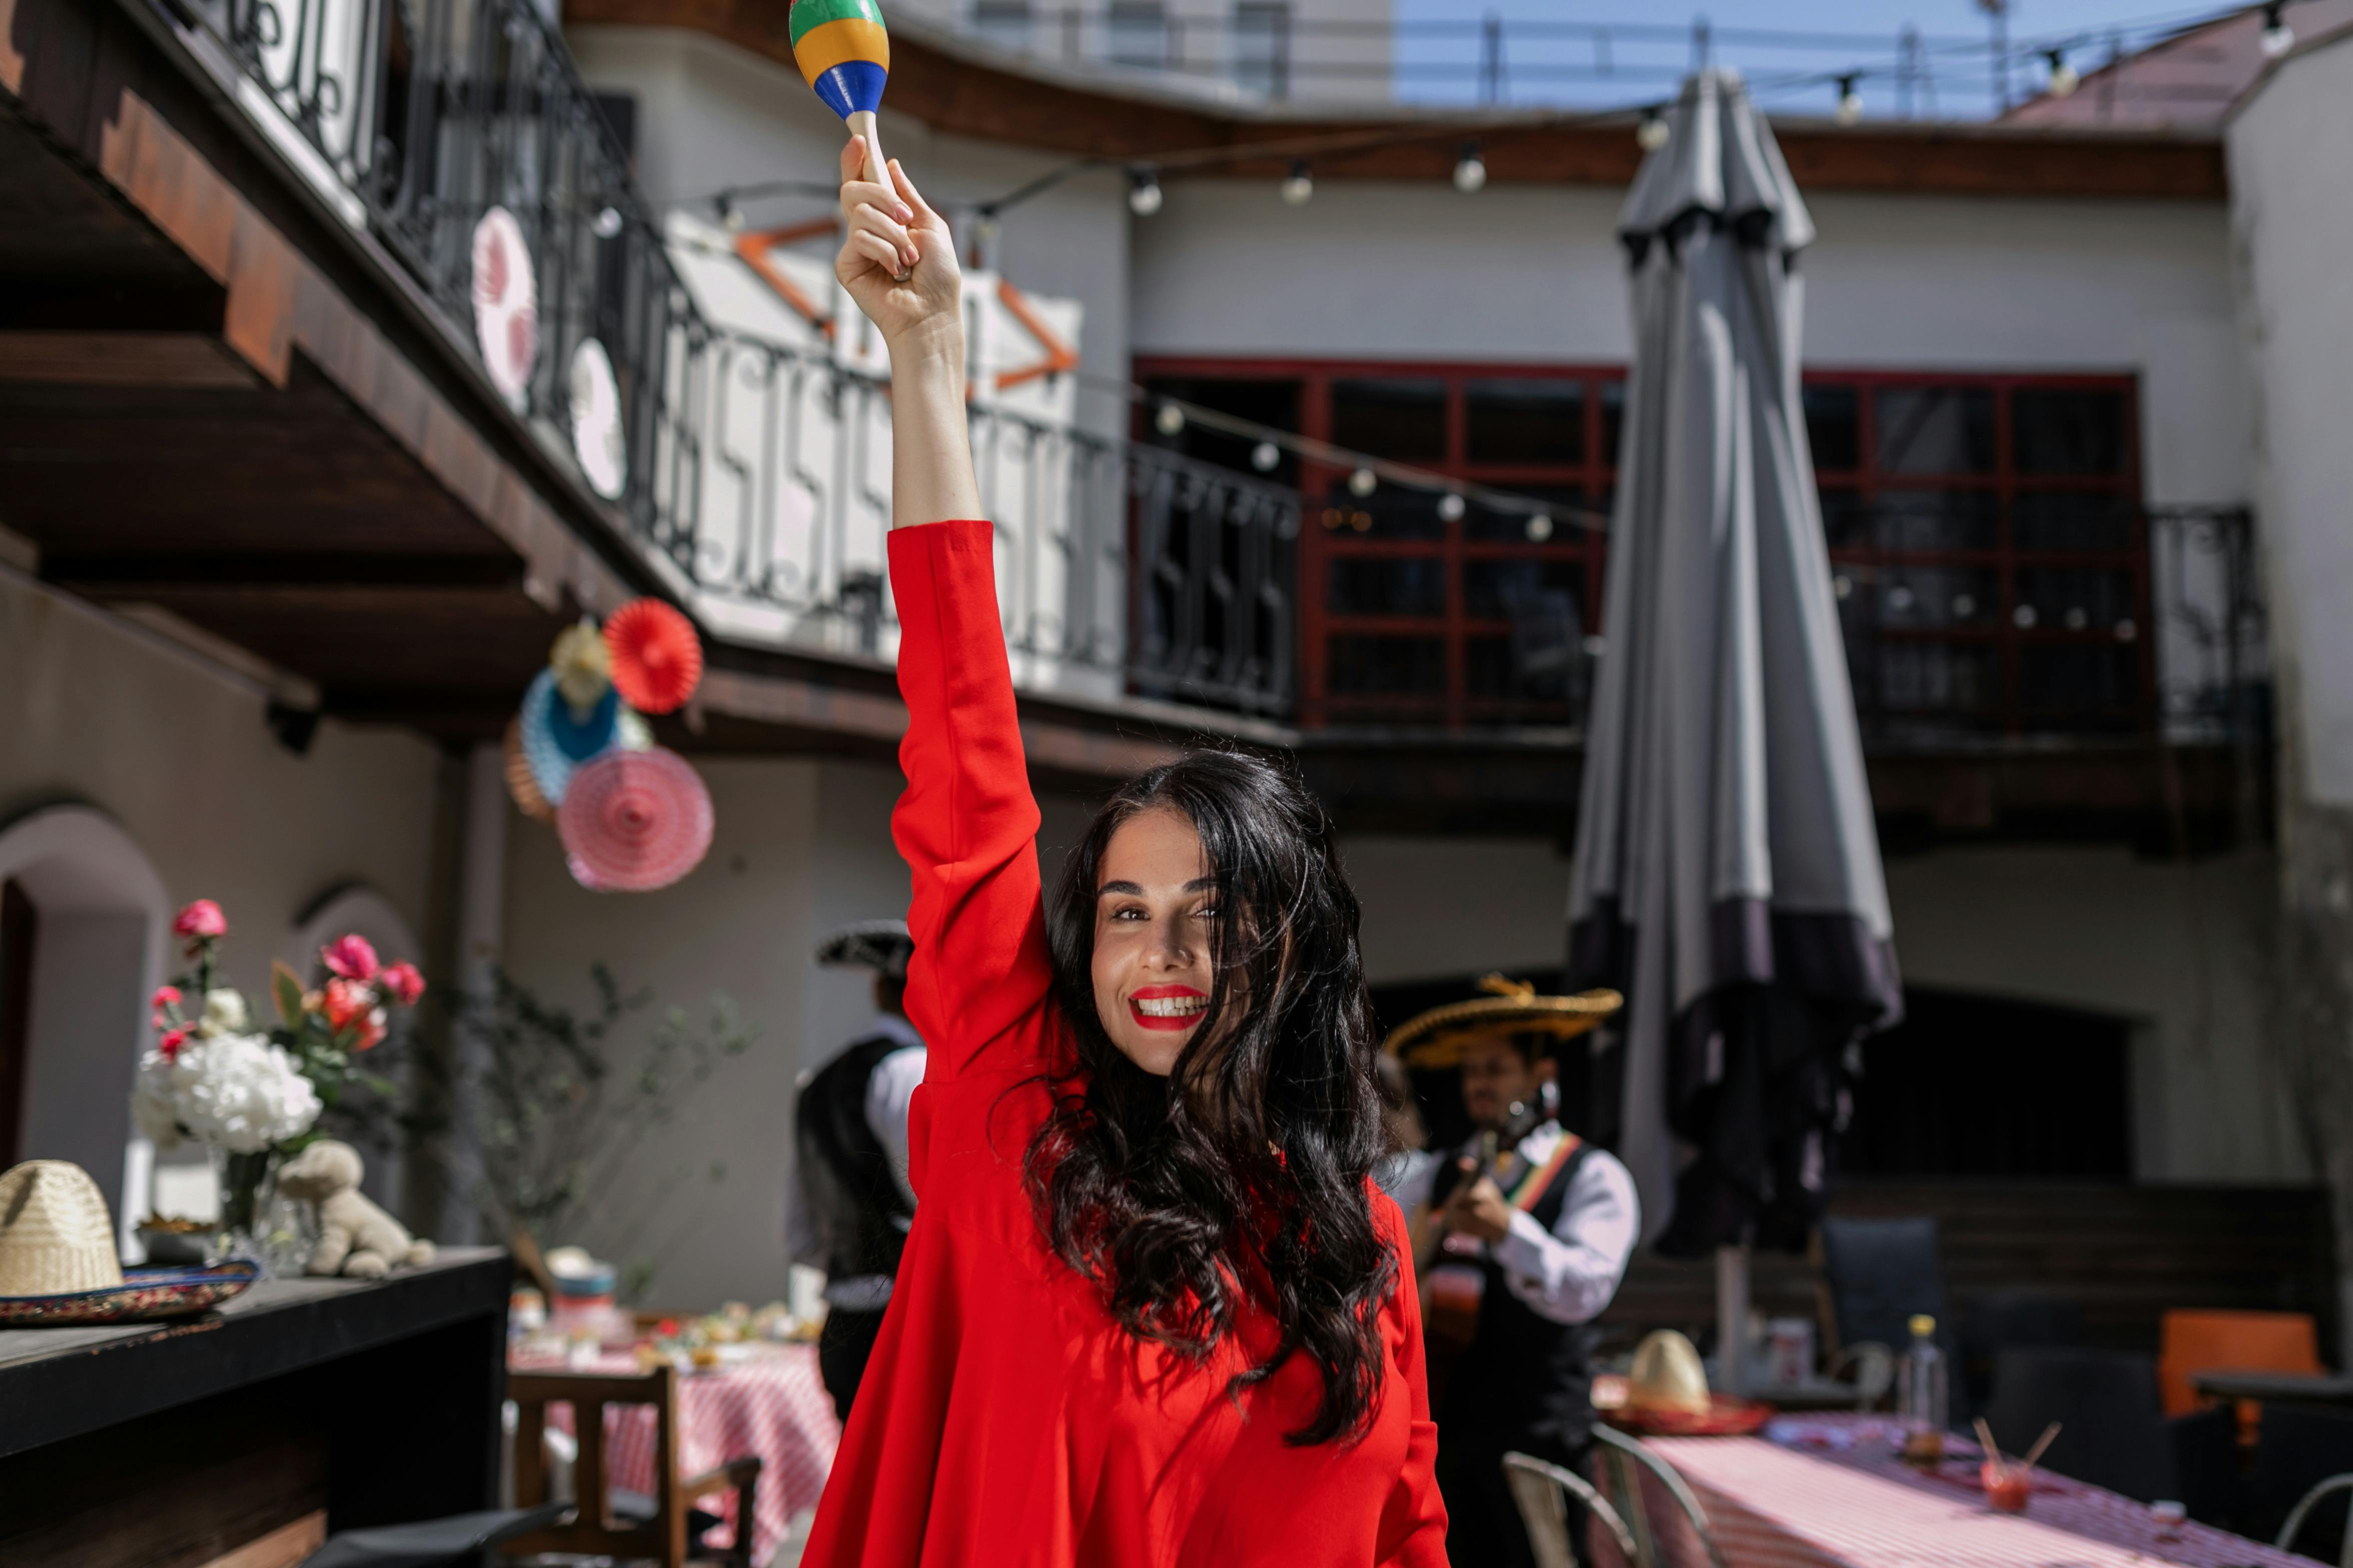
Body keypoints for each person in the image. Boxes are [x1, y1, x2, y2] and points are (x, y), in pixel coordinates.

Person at [801, 138, 1446, 1567]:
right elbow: (962, 736)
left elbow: (1409, 1519)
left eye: (1209, 916)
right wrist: (926, 360)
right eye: (1123, 910)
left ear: (1289, 950)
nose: (1158, 957)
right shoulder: (1016, 1127)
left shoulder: (1359, 1247)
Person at [1386, 984, 1639, 1568]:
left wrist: (1510, 1232)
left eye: (1496, 1067)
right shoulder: (1437, 1175)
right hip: (1449, 1433)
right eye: (1471, 1069)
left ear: (1540, 1073)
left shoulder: (1592, 1175)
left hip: (1539, 1435)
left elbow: (1585, 1292)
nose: (1479, 1082)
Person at [786, 919, 927, 1420]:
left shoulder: (815, 1084)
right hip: (904, 1328)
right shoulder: (913, 1070)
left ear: (879, 988)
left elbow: (801, 1237)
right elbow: (934, 1203)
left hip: (841, 1329)